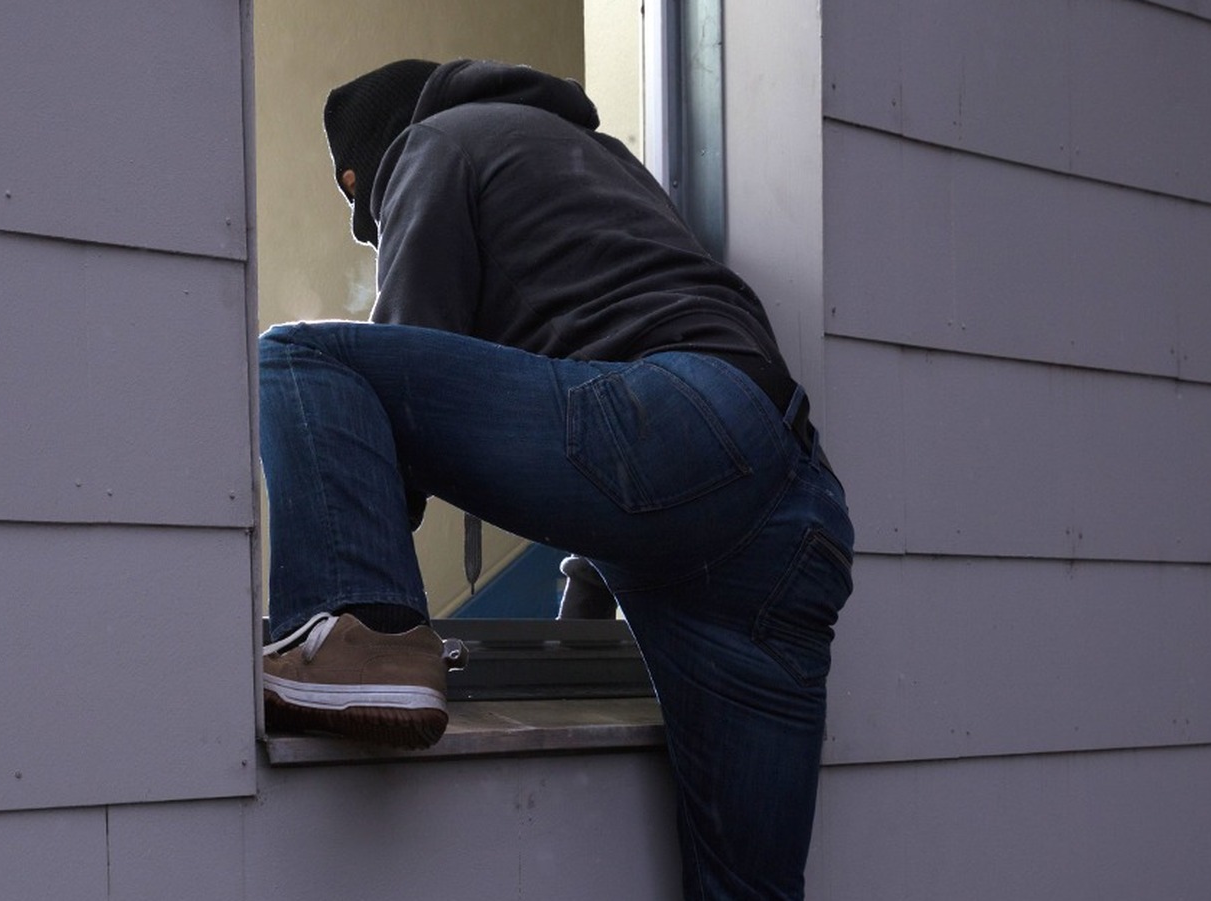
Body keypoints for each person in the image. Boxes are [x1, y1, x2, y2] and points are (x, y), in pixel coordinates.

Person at [257, 58, 854, 901]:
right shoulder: (595, 159)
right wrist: (578, 618)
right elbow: (616, 442)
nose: (376, 230)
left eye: (370, 213)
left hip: (681, 430)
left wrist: (349, 564)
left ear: (380, 157)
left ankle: (370, 637)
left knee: (301, 357)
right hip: (793, 513)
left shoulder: (434, 143)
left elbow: (400, 369)